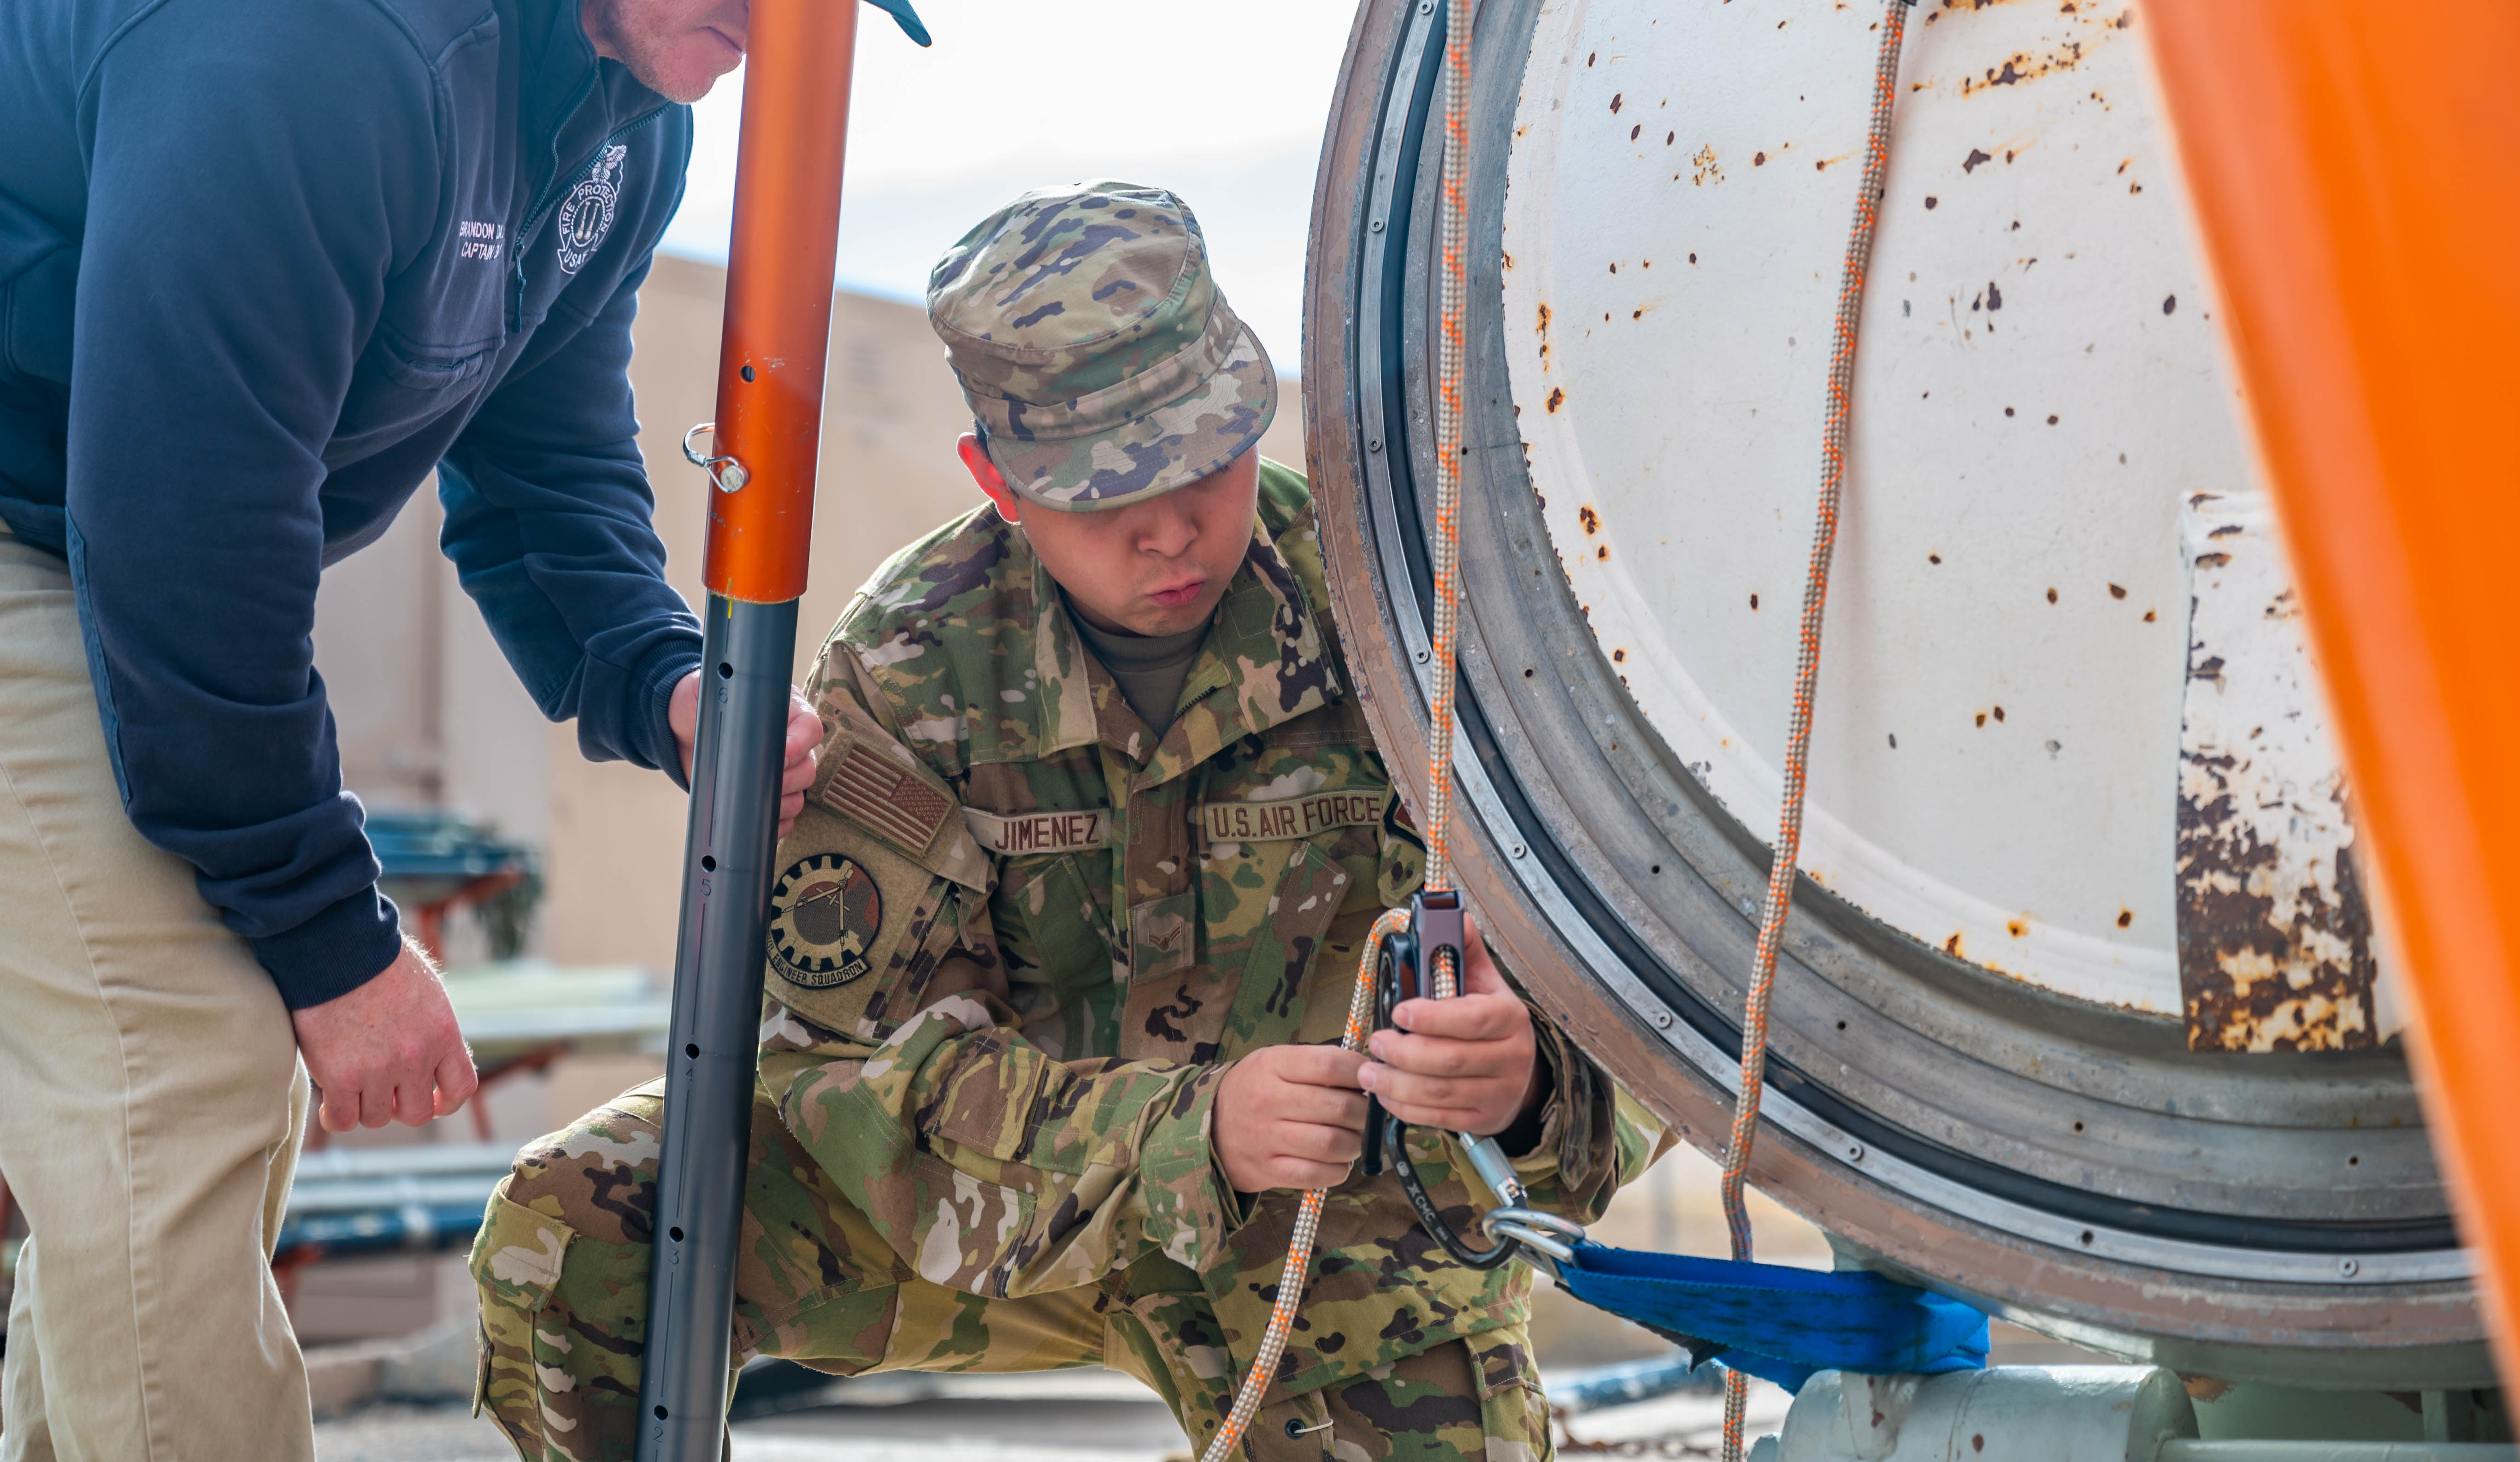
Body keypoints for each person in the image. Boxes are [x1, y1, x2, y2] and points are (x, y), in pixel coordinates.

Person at [0, 0, 924, 1458]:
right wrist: (337, 938)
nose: (783, 25)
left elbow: (545, 458)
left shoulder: (619, 119)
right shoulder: (329, 31)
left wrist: (659, 678)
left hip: (72, 534)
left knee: (179, 1093)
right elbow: (193, 529)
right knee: (181, 1068)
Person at [469, 181, 1668, 1462]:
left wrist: (1529, 1082)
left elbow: (1651, 986)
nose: (1170, 532)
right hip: (996, 1210)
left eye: (1201, 463)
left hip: (1329, 1219)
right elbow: (846, 1075)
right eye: (1106, 495)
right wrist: (1184, 1133)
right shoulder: (912, 664)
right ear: (996, 480)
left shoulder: (1407, 612)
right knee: (587, 1229)